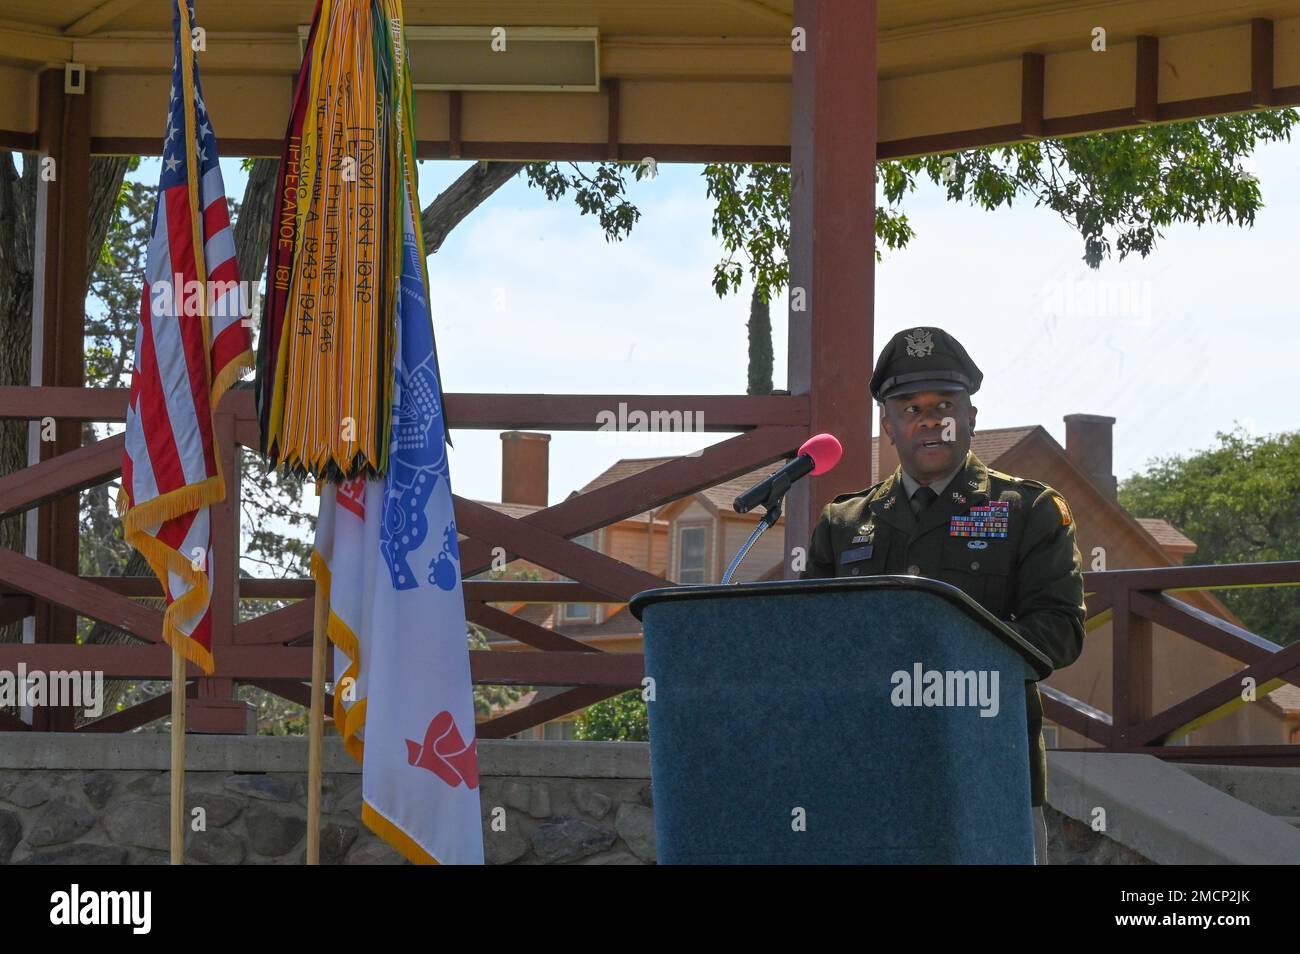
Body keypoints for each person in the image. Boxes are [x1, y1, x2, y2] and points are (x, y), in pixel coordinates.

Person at [801, 326, 1087, 864]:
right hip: (866, 775)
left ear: (971, 418)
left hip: (986, 773)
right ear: (888, 426)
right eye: (910, 408)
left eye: (944, 404)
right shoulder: (845, 522)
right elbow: (809, 637)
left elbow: (1060, 632)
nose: (929, 418)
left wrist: (941, 659)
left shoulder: (1026, 511)